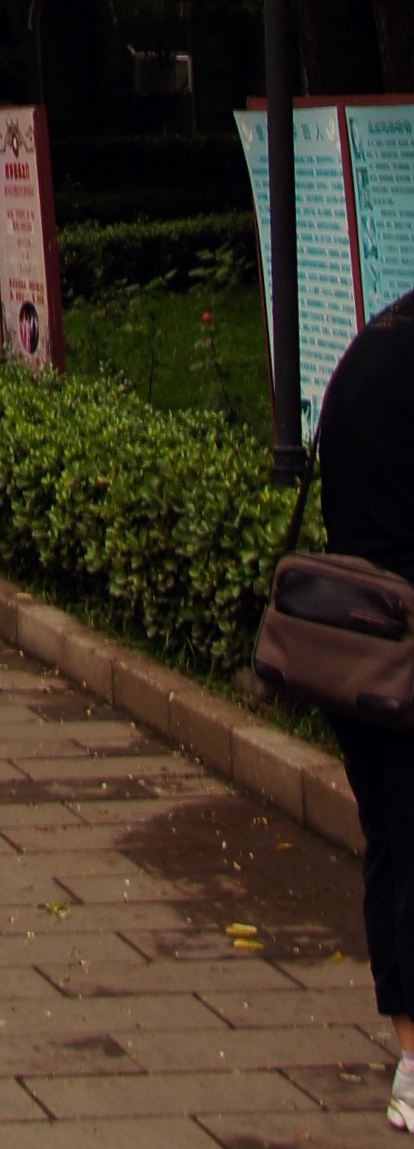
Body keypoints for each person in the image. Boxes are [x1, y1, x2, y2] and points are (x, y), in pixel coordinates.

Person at [316, 294, 414, 1125]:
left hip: (355, 647)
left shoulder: (370, 349)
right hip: (408, 649)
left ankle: (410, 1050)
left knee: (391, 844)